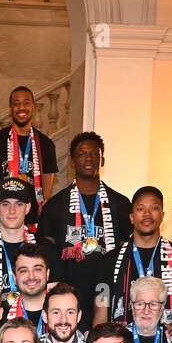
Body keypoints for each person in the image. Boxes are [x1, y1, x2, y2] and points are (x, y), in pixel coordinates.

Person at [38, 132, 131, 327]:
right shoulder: (55, 206)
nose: (88, 158)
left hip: (108, 296)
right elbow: (46, 254)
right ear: (72, 161)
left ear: (102, 159)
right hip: (69, 301)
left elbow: (126, 253)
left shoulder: (121, 204)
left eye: (94, 154)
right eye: (81, 154)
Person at [95, 186, 172, 337]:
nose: (147, 214)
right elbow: (100, 313)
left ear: (162, 215)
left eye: (154, 208)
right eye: (140, 209)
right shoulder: (108, 261)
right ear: (131, 217)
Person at [0, 178, 54, 301]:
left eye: (19, 204)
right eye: (5, 204)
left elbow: (54, 299)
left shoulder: (47, 249)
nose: (12, 211)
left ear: (27, 208)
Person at [0, 86, 58, 211]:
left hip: (35, 220)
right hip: (3, 217)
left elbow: (46, 193)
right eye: (16, 104)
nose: (21, 108)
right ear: (11, 108)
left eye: (26, 103)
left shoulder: (46, 144)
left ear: (33, 106)